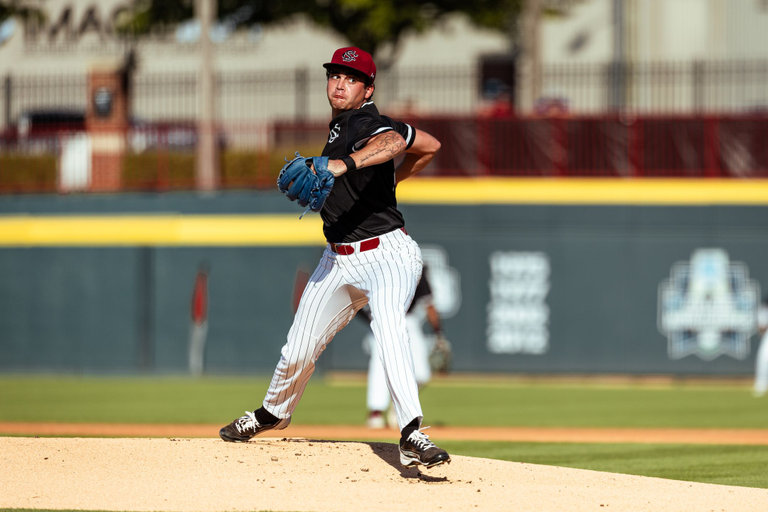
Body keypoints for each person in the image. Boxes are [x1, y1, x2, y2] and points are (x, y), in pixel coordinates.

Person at [219, 46, 450, 469]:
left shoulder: (365, 121)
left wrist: (345, 165)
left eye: (350, 77)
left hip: (388, 254)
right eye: (334, 75)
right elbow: (430, 145)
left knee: (390, 324)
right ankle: (274, 412)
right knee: (297, 350)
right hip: (338, 258)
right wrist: (392, 179)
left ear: (368, 90)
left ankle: (411, 432)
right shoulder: (342, 124)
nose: (339, 83)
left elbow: (395, 140)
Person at [360, 267, 445, 429]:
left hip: (409, 320)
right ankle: (375, 412)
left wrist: (438, 332)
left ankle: (398, 404)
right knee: (380, 366)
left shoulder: (416, 269)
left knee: (422, 373)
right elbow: (357, 301)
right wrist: (371, 318)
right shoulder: (377, 267)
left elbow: (429, 304)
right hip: (382, 317)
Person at [753, 296, 768, 397]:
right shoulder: (764, 307)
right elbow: (761, 328)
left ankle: (761, 384)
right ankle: (761, 384)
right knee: (764, 358)